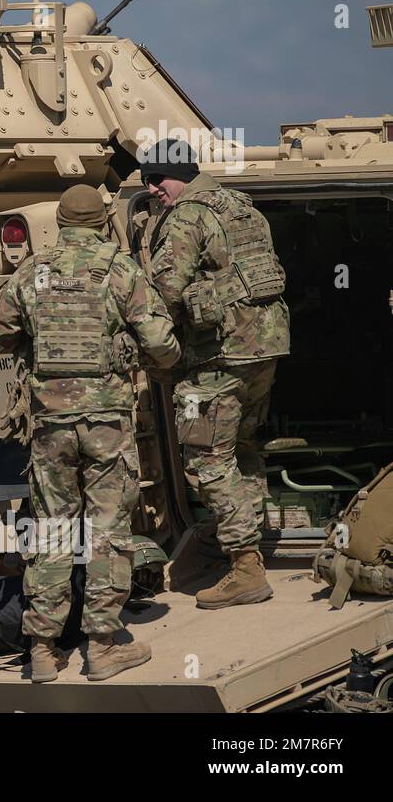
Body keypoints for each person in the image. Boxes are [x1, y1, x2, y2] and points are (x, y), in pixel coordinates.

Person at [0, 185, 180, 682]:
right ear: (102, 221)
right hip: (106, 424)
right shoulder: (120, 270)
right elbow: (160, 341)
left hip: (49, 425)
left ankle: (43, 652)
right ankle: (101, 645)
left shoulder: (33, 270)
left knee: (50, 530)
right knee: (107, 532)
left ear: (61, 221)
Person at [140, 138, 289, 610]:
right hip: (263, 348)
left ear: (178, 174)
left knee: (206, 459)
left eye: (157, 179)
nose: (152, 189)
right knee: (241, 446)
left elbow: (165, 289)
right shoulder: (240, 207)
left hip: (218, 356)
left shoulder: (187, 215)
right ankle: (253, 540)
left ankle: (244, 567)